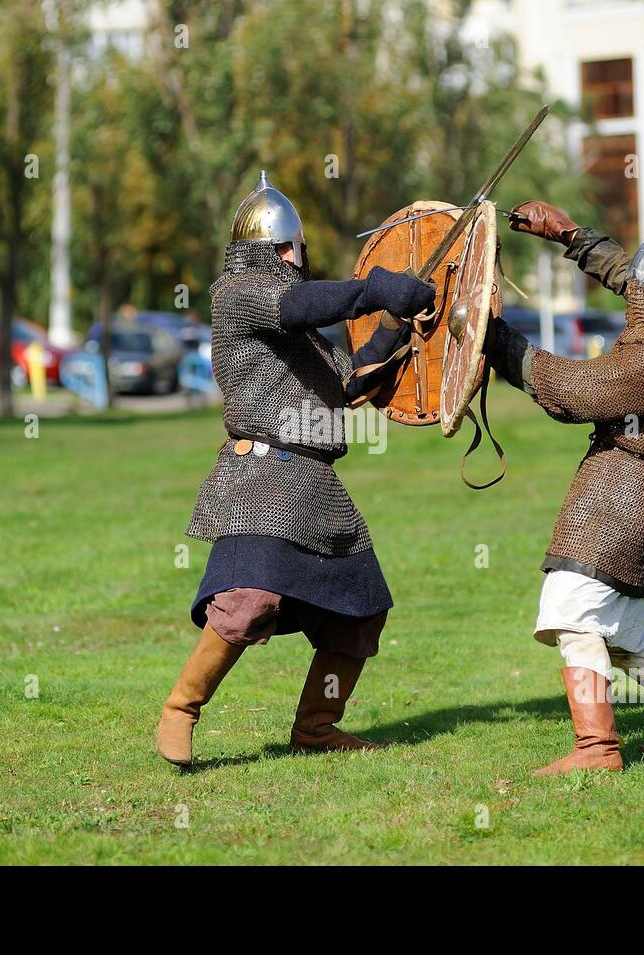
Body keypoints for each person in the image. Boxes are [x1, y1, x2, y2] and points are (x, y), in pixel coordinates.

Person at [156, 171, 435, 767]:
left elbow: (349, 382)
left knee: (360, 611)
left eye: (295, 247)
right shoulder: (239, 294)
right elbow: (302, 301)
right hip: (259, 478)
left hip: (317, 484)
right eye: (286, 247)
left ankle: (317, 727)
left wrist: (395, 327)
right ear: (261, 252)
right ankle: (181, 709)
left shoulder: (306, 337)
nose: (294, 256)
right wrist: (376, 288)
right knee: (249, 600)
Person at [481, 201, 644, 775]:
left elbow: (579, 392)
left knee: (572, 613)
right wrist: (569, 234)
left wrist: (495, 338)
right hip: (632, 489)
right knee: (619, 637)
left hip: (622, 494)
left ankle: (596, 750)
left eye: (642, 295)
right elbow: (633, 278)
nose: (634, 301)